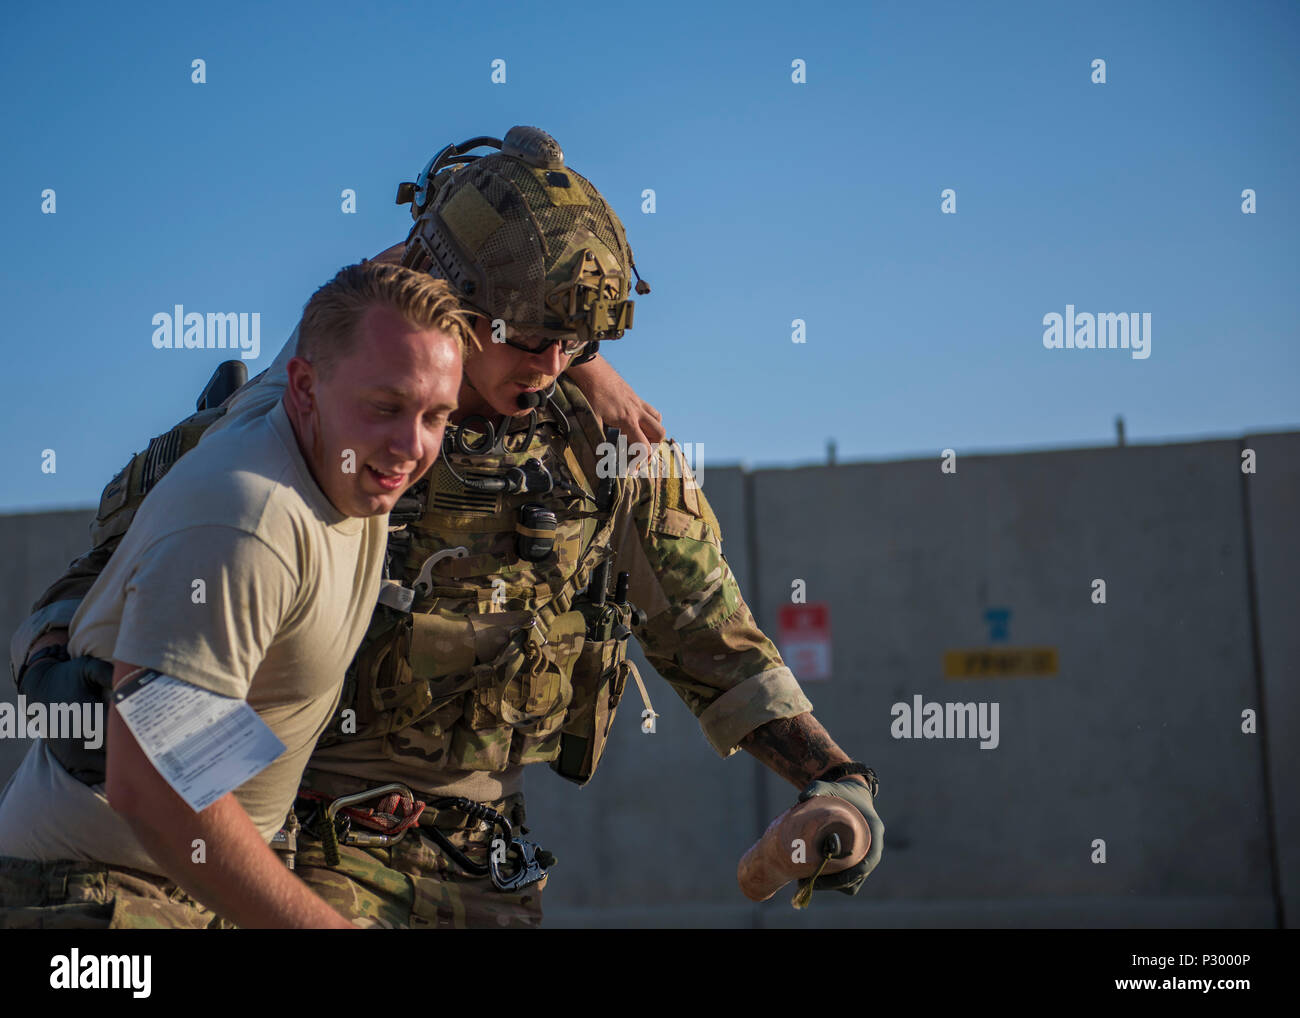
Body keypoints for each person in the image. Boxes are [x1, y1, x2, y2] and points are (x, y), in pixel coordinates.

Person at [7, 126, 884, 929]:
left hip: (481, 857)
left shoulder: (608, 453)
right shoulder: (308, 426)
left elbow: (709, 633)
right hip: (295, 855)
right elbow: (109, 575)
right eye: (530, 336)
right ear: (456, 300)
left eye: (575, 344)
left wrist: (834, 781)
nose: (547, 368)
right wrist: (50, 670)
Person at [0, 262, 468, 928]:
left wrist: (590, 369)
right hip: (96, 892)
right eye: (386, 407)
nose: (410, 446)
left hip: (196, 877)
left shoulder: (332, 417)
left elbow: (430, 251)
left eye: (435, 415)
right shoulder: (248, 520)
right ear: (304, 388)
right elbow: (154, 788)